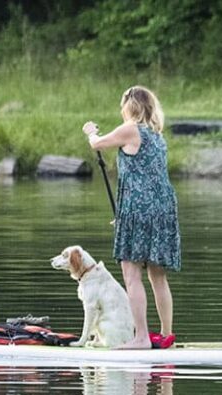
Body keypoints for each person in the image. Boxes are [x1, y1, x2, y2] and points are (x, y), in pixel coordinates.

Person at [83, 85, 181, 350]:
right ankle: (165, 334)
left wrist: (92, 132)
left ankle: (141, 339)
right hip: (163, 208)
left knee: (131, 274)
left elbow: (98, 144)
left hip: (139, 208)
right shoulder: (157, 135)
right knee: (157, 276)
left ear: (130, 106)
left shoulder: (131, 129)